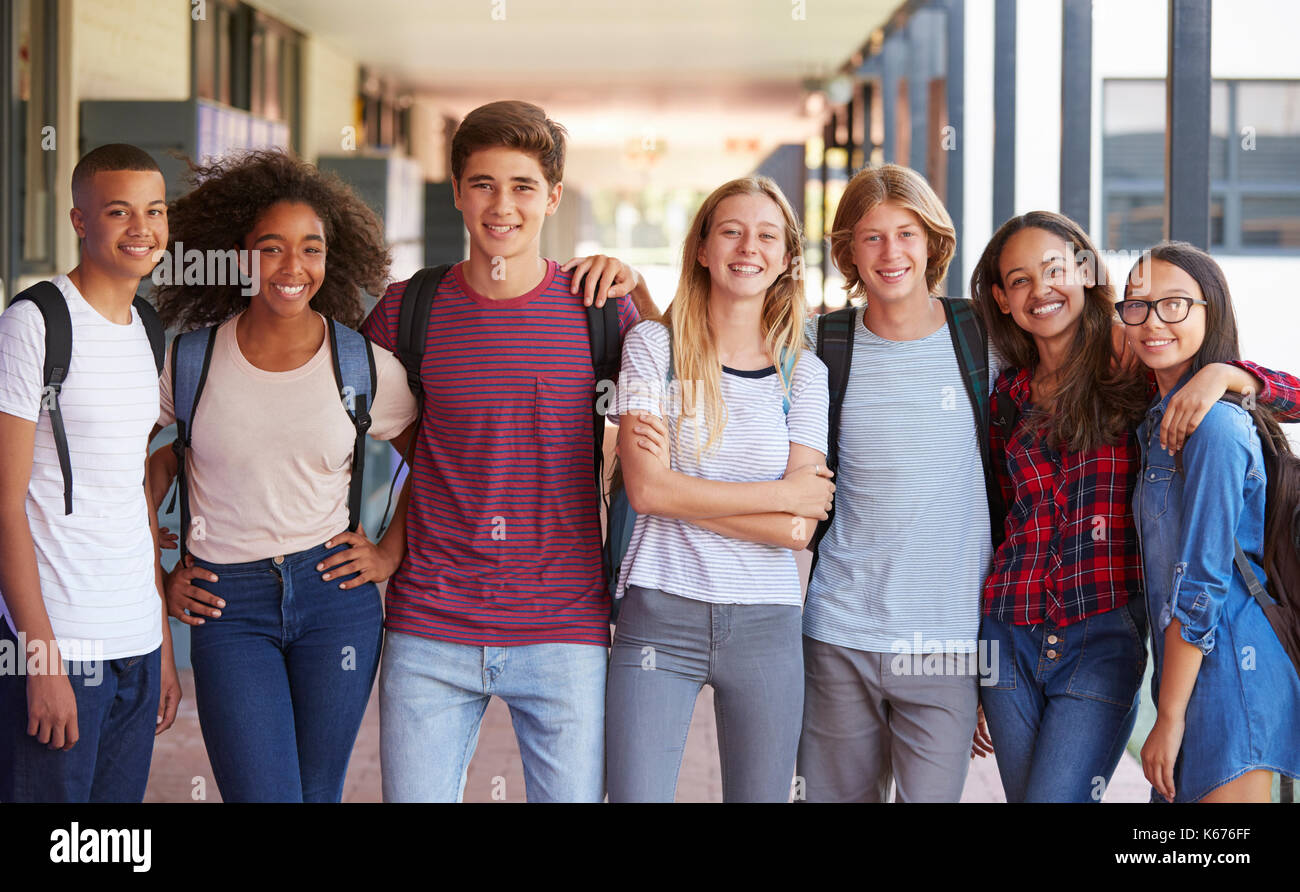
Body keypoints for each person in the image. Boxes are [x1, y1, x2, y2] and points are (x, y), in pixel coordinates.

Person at [361, 100, 649, 803]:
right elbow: (330, 413)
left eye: (522, 186)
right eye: (483, 183)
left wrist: (643, 286)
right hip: (429, 626)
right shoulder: (407, 310)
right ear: (457, 191)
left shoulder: (601, 309)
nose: (502, 205)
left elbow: (689, 389)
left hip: (565, 628)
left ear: (552, 196)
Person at [969, 211, 1300, 802]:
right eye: (1019, 280)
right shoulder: (1004, 395)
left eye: (1053, 269)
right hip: (1008, 632)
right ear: (1001, 297)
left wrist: (1226, 374)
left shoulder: (1137, 372)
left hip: (1102, 634)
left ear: (1086, 271)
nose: (1041, 289)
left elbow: (1290, 397)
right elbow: (996, 520)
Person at [147, 150, 418, 802]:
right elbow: (130, 465)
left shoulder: (363, 366)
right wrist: (156, 578)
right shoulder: (193, 361)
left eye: (311, 248)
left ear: (331, 257)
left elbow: (435, 460)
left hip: (335, 601)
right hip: (226, 603)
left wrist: (388, 551)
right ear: (241, 256)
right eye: (272, 248)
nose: (293, 267)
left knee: (316, 794)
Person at [605, 175, 832, 802]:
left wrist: (682, 490)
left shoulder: (803, 374)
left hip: (767, 624)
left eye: (766, 236)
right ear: (702, 248)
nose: (747, 247)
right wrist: (779, 493)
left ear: (786, 258)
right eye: (730, 231)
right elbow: (646, 493)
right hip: (659, 614)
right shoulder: (653, 347)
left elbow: (799, 529)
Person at [793, 163, 994, 802]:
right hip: (837, 632)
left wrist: (1230, 378)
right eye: (872, 237)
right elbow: (714, 349)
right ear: (849, 249)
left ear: (932, 240)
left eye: (905, 233)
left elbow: (1126, 352)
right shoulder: (822, 341)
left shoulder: (984, 337)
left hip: (945, 642)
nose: (891, 252)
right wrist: (633, 291)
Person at [0, 143, 182, 802]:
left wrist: (159, 640)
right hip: (61, 642)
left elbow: (133, 491)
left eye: (154, 210)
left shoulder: (147, 327)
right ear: (80, 221)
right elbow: (5, 505)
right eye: (119, 211)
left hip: (134, 639)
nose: (142, 228)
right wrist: (40, 659)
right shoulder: (34, 324)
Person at [1123, 241, 1300, 802]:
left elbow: (1200, 580)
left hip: (1231, 676)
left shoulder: (1218, 427)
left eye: (1175, 304)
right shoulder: (1155, 419)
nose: (1153, 321)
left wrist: (1168, 716)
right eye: (1136, 304)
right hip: (1188, 673)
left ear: (1212, 310)